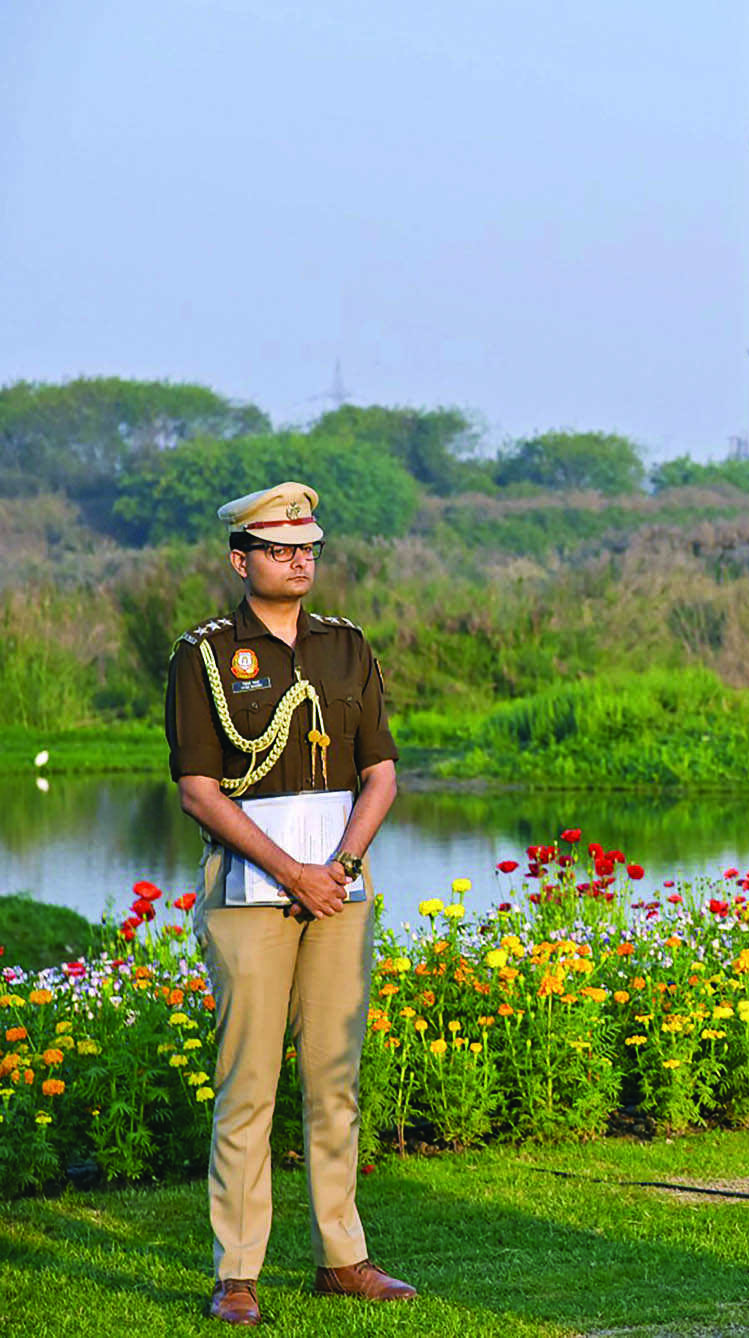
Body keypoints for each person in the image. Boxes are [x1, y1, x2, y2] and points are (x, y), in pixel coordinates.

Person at [165, 481, 415, 1325]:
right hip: (248, 894)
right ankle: (238, 1272)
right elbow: (201, 790)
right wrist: (291, 871)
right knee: (248, 1084)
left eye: (308, 546)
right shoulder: (202, 656)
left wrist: (339, 866)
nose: (299, 558)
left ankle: (344, 1259)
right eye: (279, 548)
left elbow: (379, 772)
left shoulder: (346, 648)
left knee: (334, 1079)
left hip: (338, 890)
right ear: (242, 560)